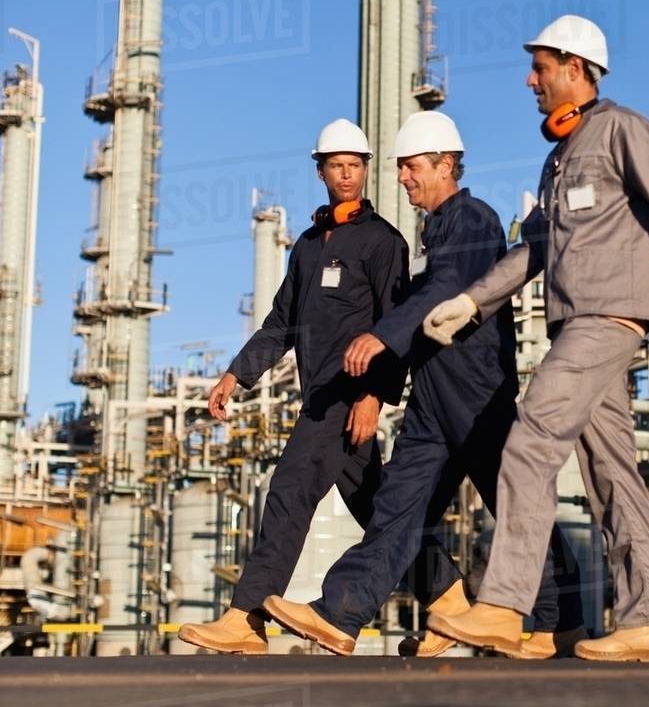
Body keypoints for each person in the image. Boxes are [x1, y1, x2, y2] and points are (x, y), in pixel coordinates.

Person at [421, 15, 649, 663]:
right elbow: (532, 247)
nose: (530, 80)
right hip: (575, 321)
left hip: (610, 315)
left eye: (539, 67)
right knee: (611, 472)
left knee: (531, 439)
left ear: (575, 67)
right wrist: (470, 302)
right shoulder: (556, 159)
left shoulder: (622, 131)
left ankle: (505, 605)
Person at [261, 111, 585, 659]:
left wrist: (382, 336)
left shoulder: (473, 218)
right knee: (397, 507)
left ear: (445, 164)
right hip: (434, 391)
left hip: (475, 388)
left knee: (512, 502)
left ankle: (563, 618)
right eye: (401, 167)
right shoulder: (439, 226)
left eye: (411, 167)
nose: (404, 177)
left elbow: (451, 286)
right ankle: (339, 614)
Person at [177, 119, 461, 654]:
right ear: (322, 171)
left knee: (288, 493)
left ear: (366, 170)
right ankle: (448, 598)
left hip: (346, 397)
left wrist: (374, 396)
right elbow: (282, 320)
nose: (347, 174)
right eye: (337, 165)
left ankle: (246, 618)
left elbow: (395, 323)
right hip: (319, 395)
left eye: (356, 165)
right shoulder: (308, 246)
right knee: (378, 507)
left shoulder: (383, 243)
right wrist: (237, 374)